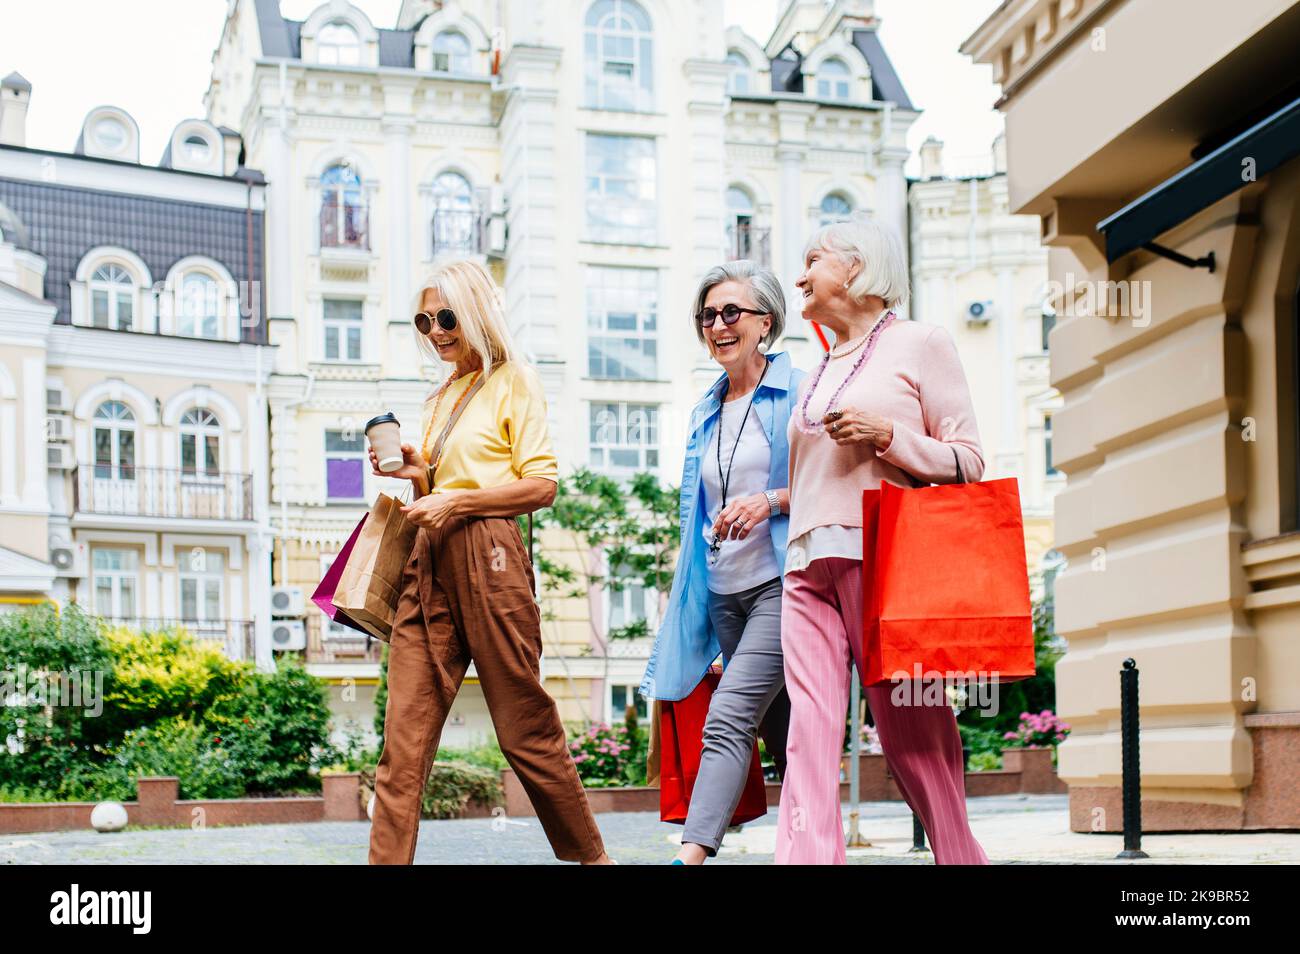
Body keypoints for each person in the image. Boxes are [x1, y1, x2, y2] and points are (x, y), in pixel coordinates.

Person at [367, 259, 611, 865]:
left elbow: (543, 484)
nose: (436, 331)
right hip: (429, 561)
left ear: (475, 313)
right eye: (424, 321)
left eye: (447, 317)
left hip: (490, 554)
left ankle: (593, 861)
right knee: (402, 746)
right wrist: (417, 474)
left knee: (522, 728)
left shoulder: (514, 379)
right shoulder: (444, 393)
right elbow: (438, 491)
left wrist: (458, 501)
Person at [776, 215, 990, 865]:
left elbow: (969, 461)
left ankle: (959, 856)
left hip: (887, 558)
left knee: (912, 732)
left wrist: (888, 436)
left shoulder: (922, 343)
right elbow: (813, 477)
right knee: (808, 732)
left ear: (857, 267)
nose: (800, 276)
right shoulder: (819, 367)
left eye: (813, 259)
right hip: (806, 565)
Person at [641, 260, 804, 864]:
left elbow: (838, 486)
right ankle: (812, 842)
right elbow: (696, 513)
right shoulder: (704, 411)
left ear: (765, 322)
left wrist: (771, 501)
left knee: (728, 717)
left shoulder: (801, 393)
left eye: (731, 312)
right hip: (721, 591)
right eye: (707, 316)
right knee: (780, 730)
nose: (717, 325)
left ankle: (691, 857)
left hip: (781, 585)